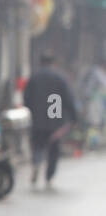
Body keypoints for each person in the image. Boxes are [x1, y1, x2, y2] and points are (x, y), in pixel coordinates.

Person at [24, 51, 79, 188]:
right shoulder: (60, 78)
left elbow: (27, 98)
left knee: (37, 144)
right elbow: (68, 98)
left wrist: (29, 113)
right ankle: (49, 176)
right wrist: (74, 117)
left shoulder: (34, 77)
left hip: (37, 119)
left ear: (41, 62)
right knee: (53, 149)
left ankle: (36, 163)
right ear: (53, 63)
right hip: (55, 118)